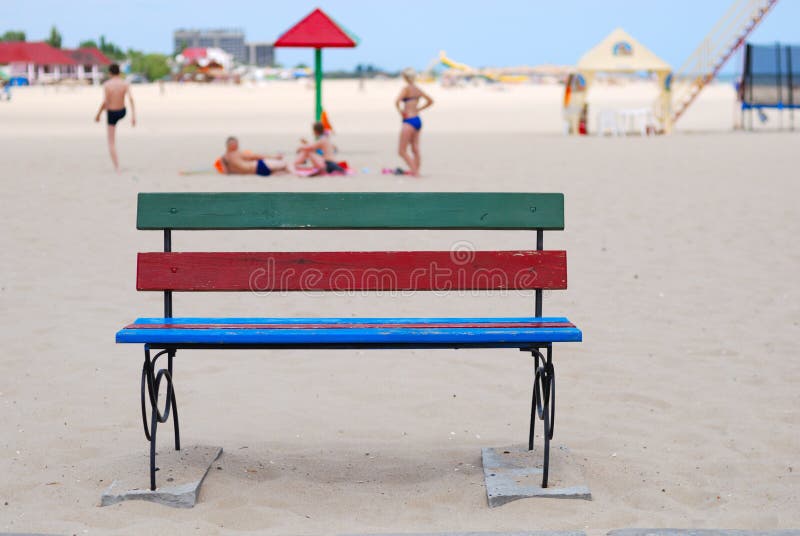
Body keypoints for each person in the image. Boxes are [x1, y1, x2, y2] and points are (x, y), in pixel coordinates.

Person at [94, 63, 135, 172]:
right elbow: (131, 99)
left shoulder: (107, 85)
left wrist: (98, 115)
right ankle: (117, 166)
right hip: (122, 112)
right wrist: (133, 116)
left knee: (111, 142)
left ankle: (117, 167)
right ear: (119, 72)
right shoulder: (125, 84)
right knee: (112, 138)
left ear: (110, 73)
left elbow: (105, 102)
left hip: (112, 113)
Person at [395, 67, 433, 176]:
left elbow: (397, 101)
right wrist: (419, 109)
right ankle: (416, 170)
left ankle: (415, 172)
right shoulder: (417, 89)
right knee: (415, 148)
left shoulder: (406, 89)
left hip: (409, 120)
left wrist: (401, 112)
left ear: (404, 77)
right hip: (417, 119)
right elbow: (430, 101)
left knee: (401, 151)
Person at [220, 136, 290, 176]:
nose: (238, 145)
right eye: (236, 144)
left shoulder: (223, 158)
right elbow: (256, 156)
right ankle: (294, 171)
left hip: (257, 172)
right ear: (232, 144)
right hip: (259, 166)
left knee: (281, 171)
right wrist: (274, 157)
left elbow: (225, 172)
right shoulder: (236, 153)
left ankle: (292, 171)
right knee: (285, 164)